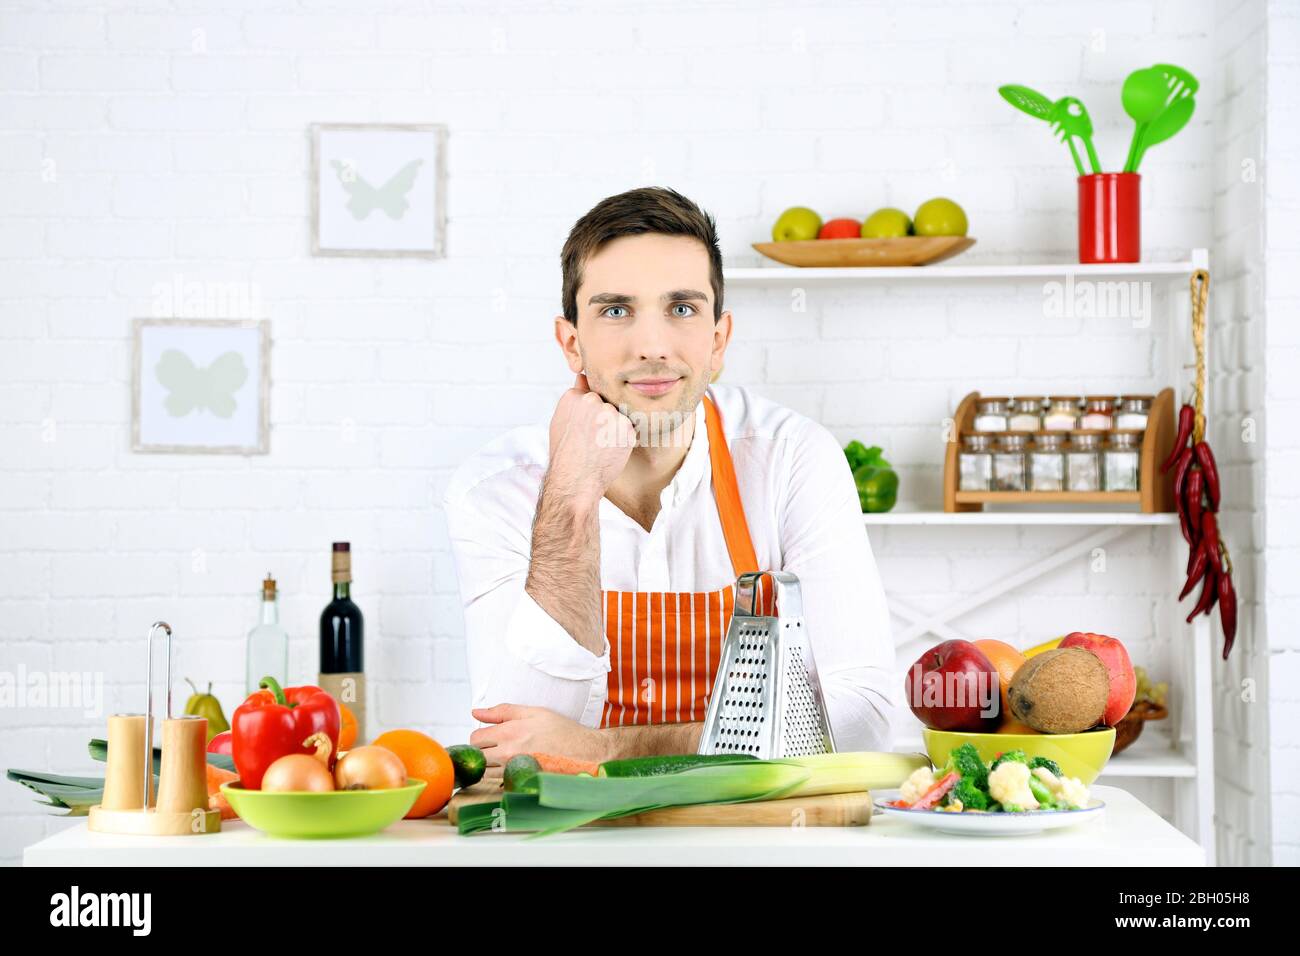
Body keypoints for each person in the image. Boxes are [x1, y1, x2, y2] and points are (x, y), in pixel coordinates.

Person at [444, 186, 895, 773]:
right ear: (570, 344)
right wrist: (571, 501)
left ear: (718, 340)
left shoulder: (792, 460)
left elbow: (863, 717)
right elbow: (520, 744)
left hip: (753, 838)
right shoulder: (496, 489)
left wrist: (608, 747)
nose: (652, 346)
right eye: (615, 309)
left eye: (681, 308)